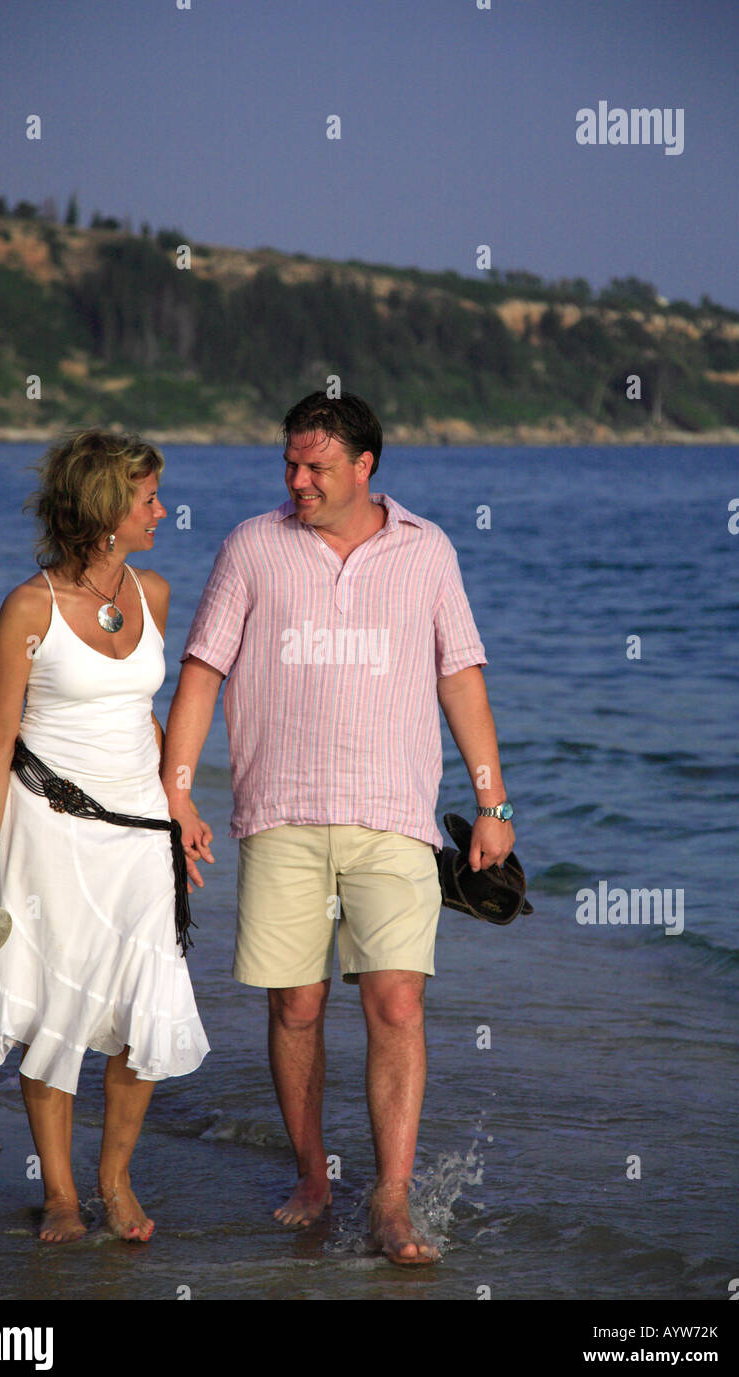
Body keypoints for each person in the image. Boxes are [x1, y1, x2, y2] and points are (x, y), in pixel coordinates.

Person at [162, 392, 514, 1266]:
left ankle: (391, 1200)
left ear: (365, 467)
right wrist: (176, 790)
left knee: (396, 1001)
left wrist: (494, 803)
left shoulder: (427, 549)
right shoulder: (252, 544)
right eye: (289, 463)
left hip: (394, 816)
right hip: (278, 811)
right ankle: (314, 1175)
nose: (298, 479)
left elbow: (460, 677)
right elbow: (203, 673)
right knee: (296, 1005)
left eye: (316, 466)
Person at [0, 428, 210, 1243]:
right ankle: (58, 1192)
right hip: (48, 834)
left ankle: (115, 1182)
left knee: (142, 1009)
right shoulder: (28, 607)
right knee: (57, 1005)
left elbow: (144, 716)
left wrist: (179, 804)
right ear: (104, 512)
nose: (162, 510)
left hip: (141, 835)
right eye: (148, 498)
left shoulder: (153, 592)